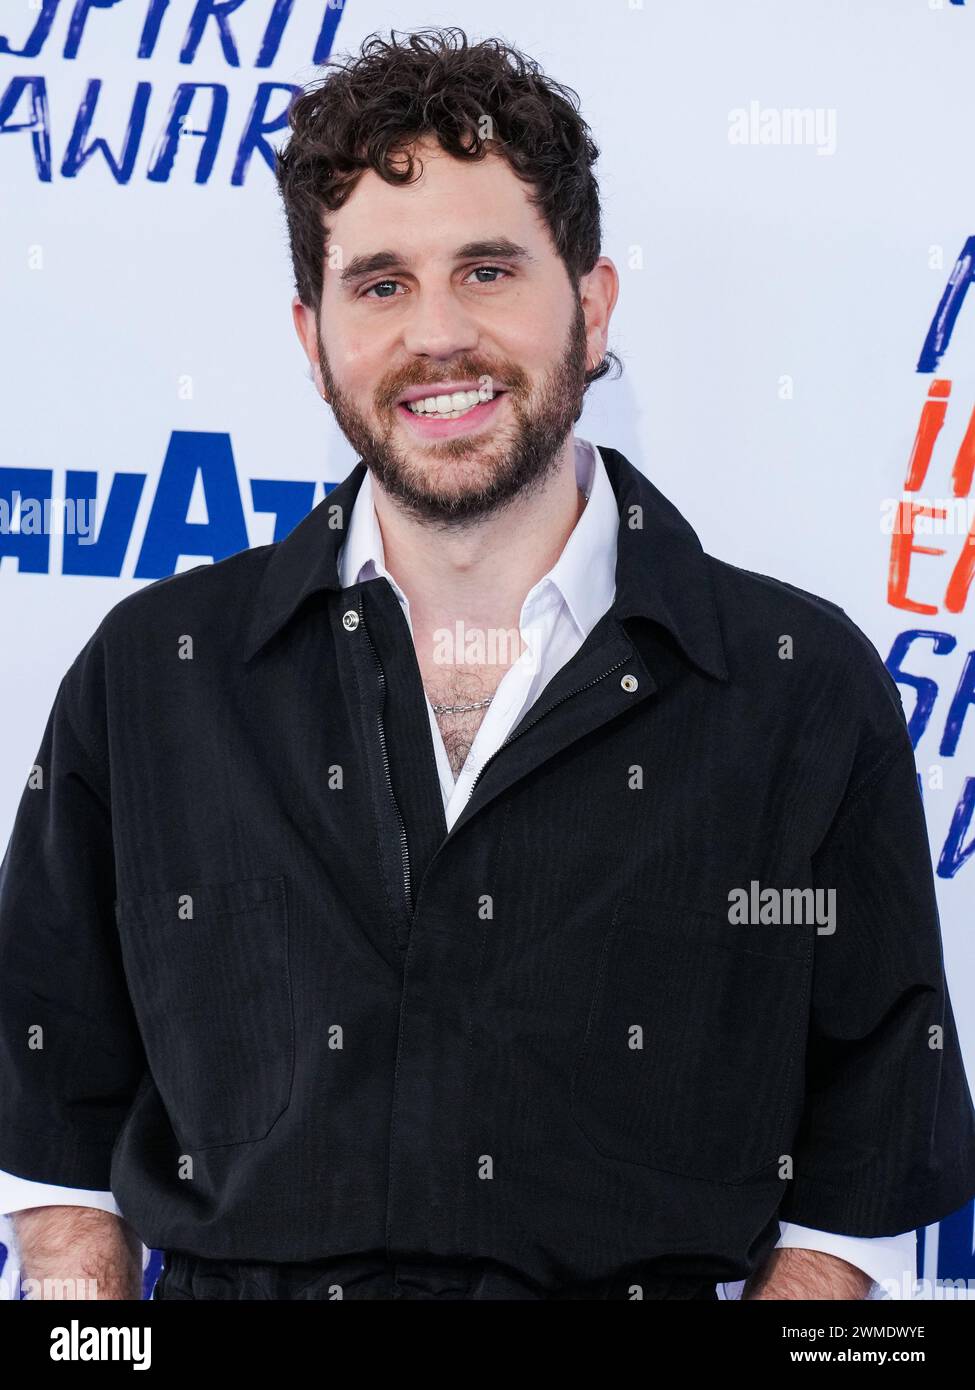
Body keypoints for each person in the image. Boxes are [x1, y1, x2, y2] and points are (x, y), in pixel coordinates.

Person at [2, 27, 974, 1302]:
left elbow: (862, 1164)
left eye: (489, 268)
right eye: (382, 284)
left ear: (594, 301)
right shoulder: (155, 677)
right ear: (312, 335)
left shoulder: (798, 689)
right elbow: (53, 1115)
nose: (440, 336)